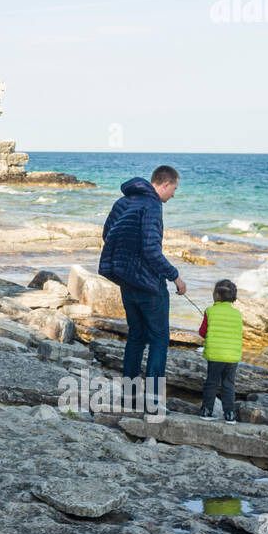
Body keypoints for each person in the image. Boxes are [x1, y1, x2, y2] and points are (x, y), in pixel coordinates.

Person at [98, 166, 186, 404]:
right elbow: (151, 250)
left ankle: (130, 394)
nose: (173, 195)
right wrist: (175, 276)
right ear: (165, 184)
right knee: (159, 338)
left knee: (136, 336)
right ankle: (154, 400)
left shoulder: (123, 202)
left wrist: (129, 260)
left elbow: (108, 235)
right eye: (174, 189)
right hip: (148, 285)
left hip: (126, 280)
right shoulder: (152, 205)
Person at [197, 279, 242, 423]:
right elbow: (238, 334)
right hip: (231, 356)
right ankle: (230, 414)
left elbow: (202, 332)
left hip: (215, 355)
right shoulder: (237, 314)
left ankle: (206, 411)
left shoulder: (210, 311)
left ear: (217, 295)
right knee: (229, 385)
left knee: (211, 383)